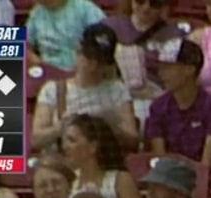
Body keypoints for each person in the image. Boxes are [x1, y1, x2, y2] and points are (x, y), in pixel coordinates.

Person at [30, 23, 139, 153]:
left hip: (103, 160)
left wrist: (112, 126)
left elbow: (133, 141)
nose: (93, 66)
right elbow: (35, 140)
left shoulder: (117, 90)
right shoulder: (52, 90)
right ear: (78, 51)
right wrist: (62, 127)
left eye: (100, 61)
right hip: (63, 163)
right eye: (89, 58)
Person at [145, 40, 211, 167]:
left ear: (190, 69)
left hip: (200, 179)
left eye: (168, 67)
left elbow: (206, 165)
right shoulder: (157, 108)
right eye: (161, 67)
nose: (161, 73)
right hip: (168, 175)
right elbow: (160, 160)